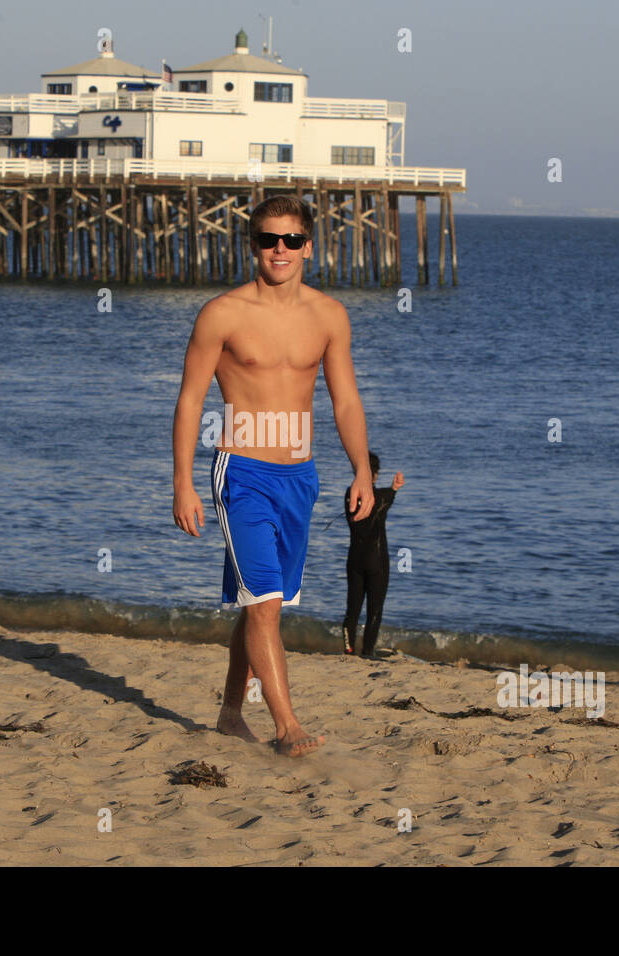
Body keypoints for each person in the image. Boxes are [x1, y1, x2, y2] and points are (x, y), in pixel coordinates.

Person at [172, 194, 376, 757]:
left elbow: (346, 402)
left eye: (290, 240)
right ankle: (287, 727)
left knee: (264, 601)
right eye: (267, 240)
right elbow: (190, 401)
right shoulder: (224, 314)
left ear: (308, 245)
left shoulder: (329, 315)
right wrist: (182, 483)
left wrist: (362, 471)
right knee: (262, 601)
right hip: (242, 472)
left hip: (300, 476)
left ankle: (231, 714)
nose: (279, 250)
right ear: (253, 245)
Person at [342, 452, 404, 657]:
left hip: (355, 560)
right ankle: (367, 651)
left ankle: (348, 649)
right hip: (377, 561)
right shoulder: (378, 498)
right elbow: (384, 498)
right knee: (374, 610)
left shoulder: (349, 495)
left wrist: (392, 490)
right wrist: (395, 488)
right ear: (375, 475)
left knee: (352, 609)